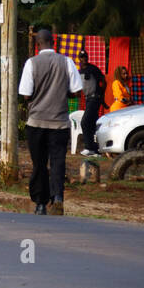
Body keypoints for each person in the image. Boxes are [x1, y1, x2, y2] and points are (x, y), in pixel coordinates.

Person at [19, 28, 83, 215]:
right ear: (53, 42)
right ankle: (58, 198)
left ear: (38, 44)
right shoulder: (67, 62)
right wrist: (62, 93)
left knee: (39, 163)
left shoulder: (32, 63)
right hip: (60, 123)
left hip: (37, 122)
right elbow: (77, 90)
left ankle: (40, 203)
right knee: (57, 161)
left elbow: (26, 94)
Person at [78, 56, 108, 155]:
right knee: (92, 124)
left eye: (85, 57)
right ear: (79, 59)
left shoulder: (93, 68)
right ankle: (96, 150)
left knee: (84, 122)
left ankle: (89, 147)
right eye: (82, 57)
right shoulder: (79, 71)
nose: (84, 59)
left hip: (95, 98)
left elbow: (103, 80)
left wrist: (101, 94)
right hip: (88, 99)